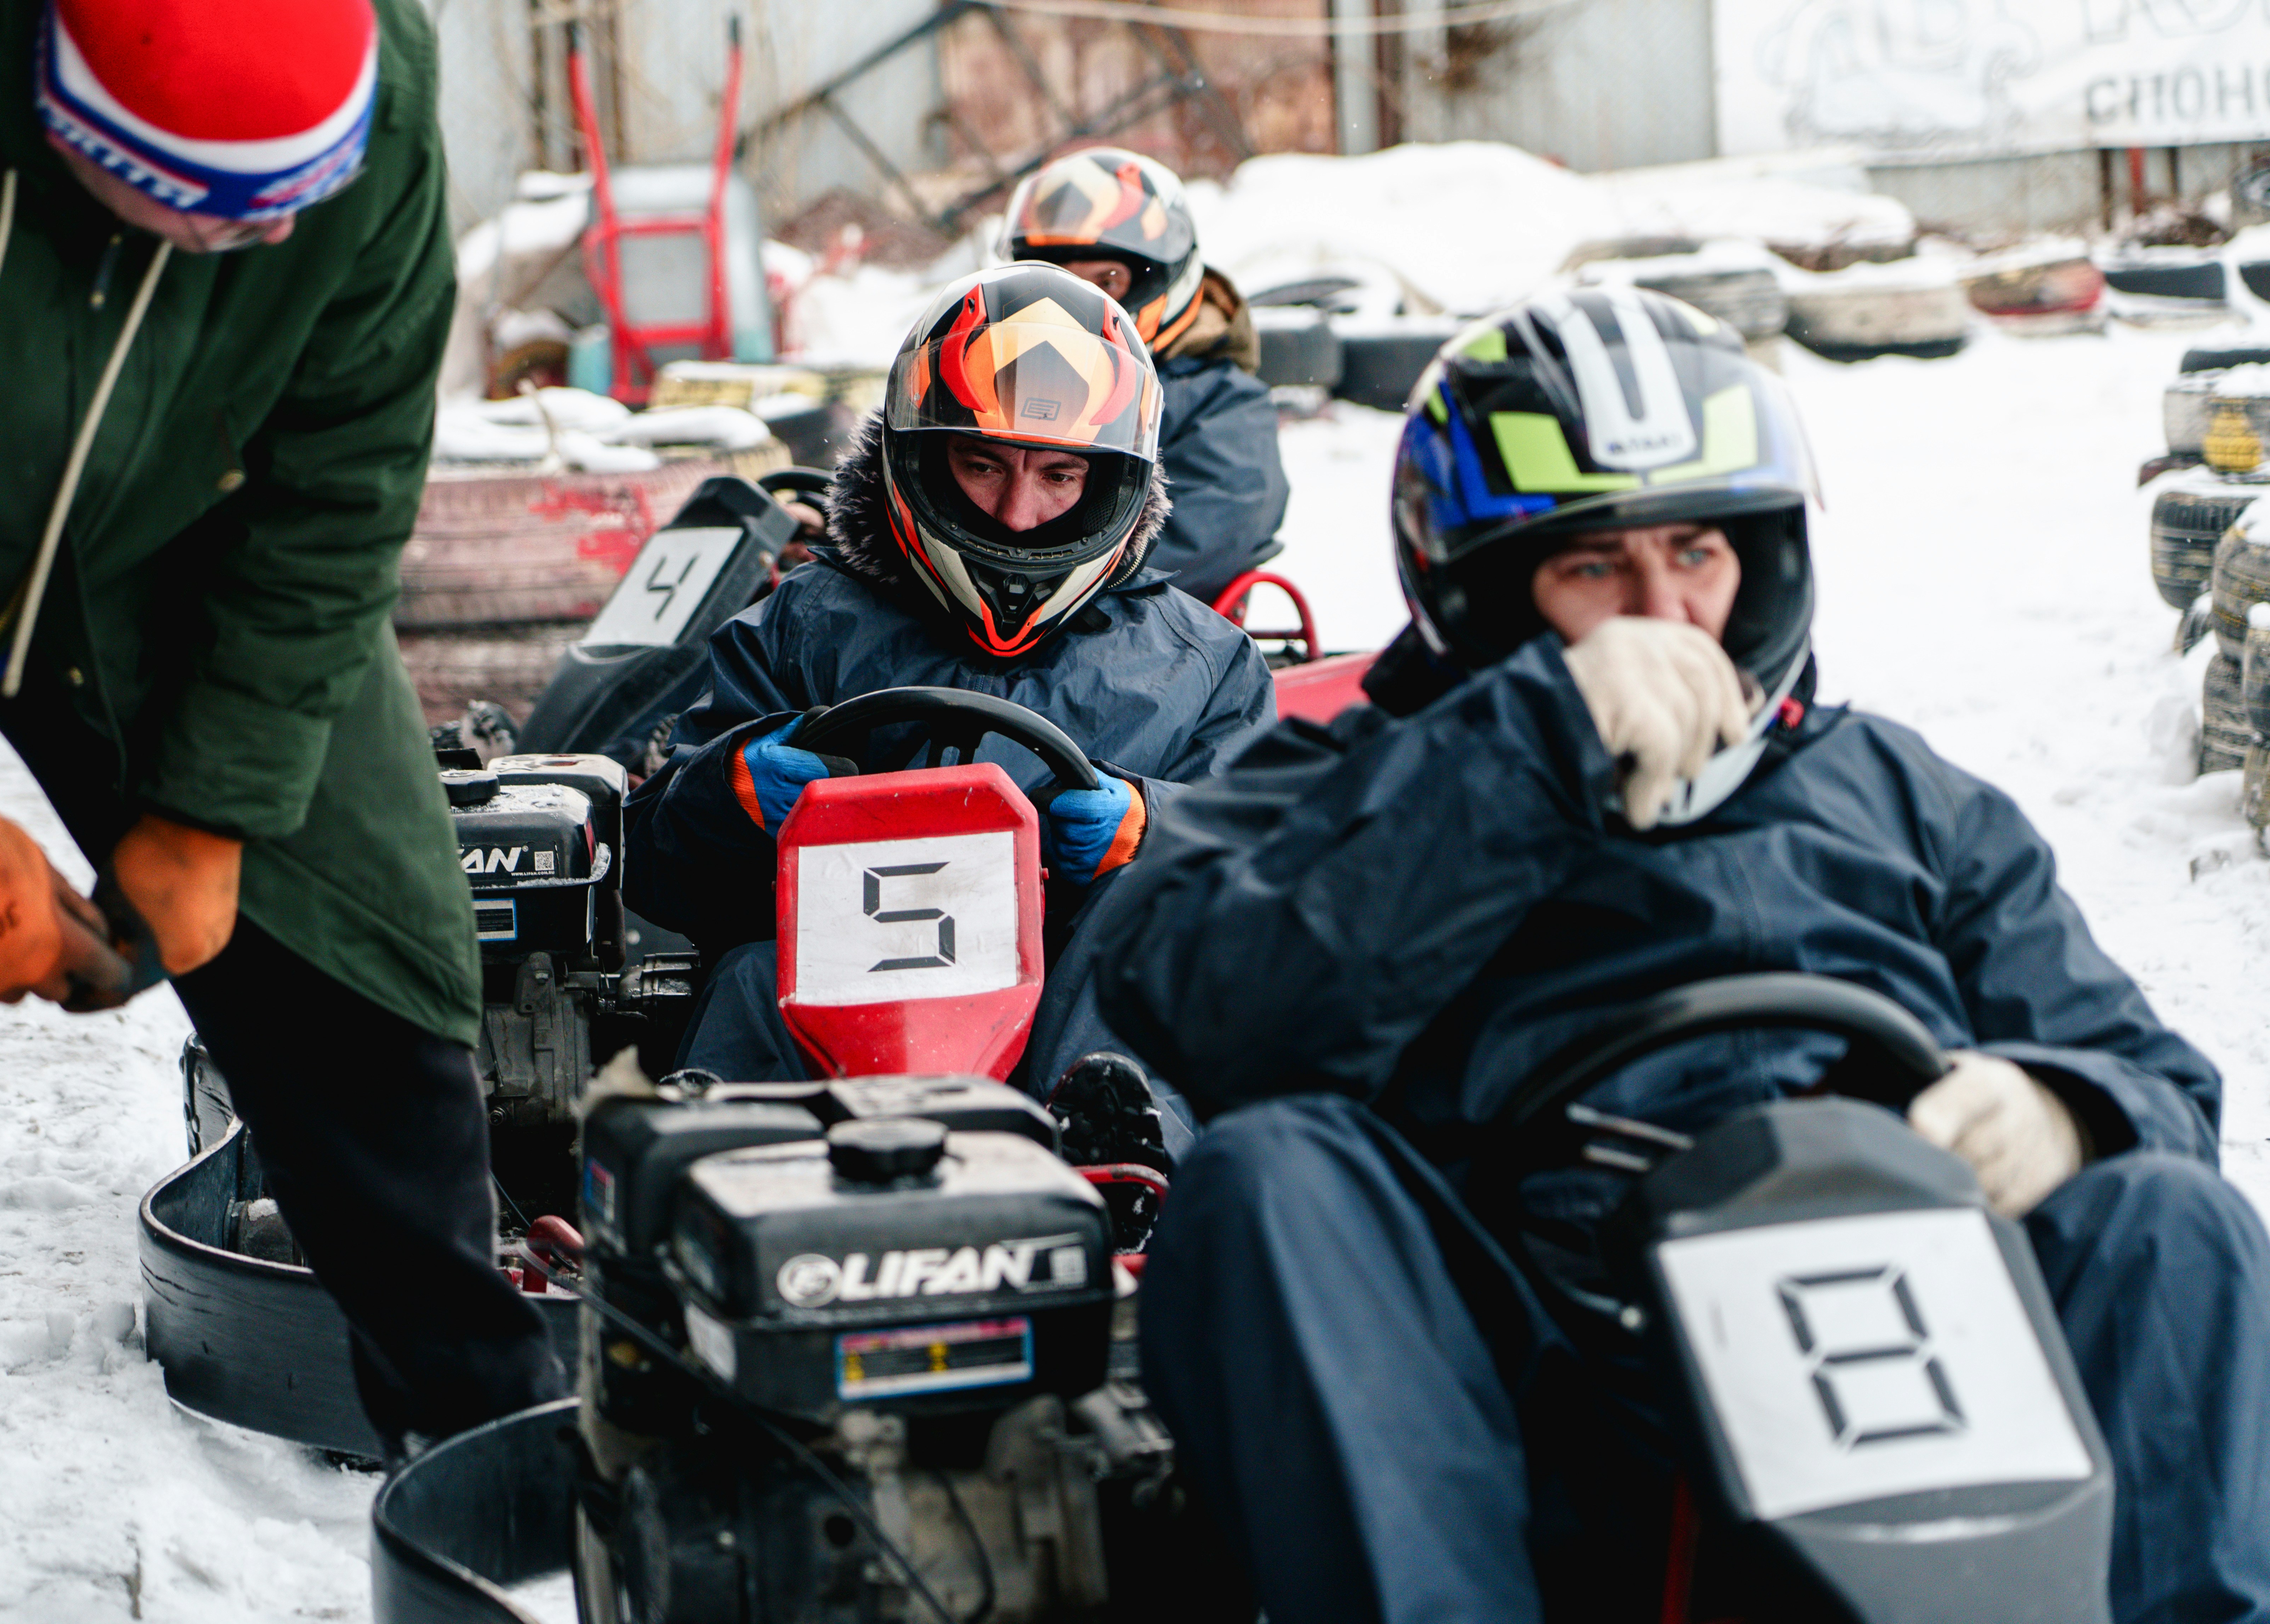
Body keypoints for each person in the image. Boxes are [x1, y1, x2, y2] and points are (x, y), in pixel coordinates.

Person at [1086, 286, 2270, 1622]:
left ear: (1758, 563)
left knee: (2169, 1213)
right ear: (1481, 587)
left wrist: (2066, 1108)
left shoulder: (1904, 798)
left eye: (1696, 552)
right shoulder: (1329, 782)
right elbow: (1195, 1007)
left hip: (1908, 1346)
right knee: (1264, 1177)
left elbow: (2155, 1085)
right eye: (1594, 569)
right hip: (1534, 1373)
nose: (1666, 613)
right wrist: (1528, 751)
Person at [0, 0, 564, 1611]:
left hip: (171, 527)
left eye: (291, 199)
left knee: (361, 947)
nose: (271, 240)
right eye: (208, 208)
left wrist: (220, 802)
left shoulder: (377, 88)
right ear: (57, 101)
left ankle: (494, 1446)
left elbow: (344, 470)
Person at [626, 265, 1273, 1138]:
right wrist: (731, 790)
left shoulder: (1205, 667)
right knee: (748, 968)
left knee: (1126, 940)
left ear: (1116, 485)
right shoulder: (801, 628)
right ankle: (715, 1171)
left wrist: (1151, 827)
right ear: (920, 458)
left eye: (1059, 476)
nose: (1016, 515)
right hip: (835, 1031)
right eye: (981, 466)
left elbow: (1277, 890)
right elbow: (659, 878)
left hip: (1071, 1035)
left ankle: (1119, 1163)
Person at [1000, 147, 1289, 605]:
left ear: (1160, 280)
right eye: (1053, 278)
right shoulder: (1000, 382)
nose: (1071, 302)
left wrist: (1032, 575)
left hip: (1133, 632)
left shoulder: (1222, 403)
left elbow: (1203, 542)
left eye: (1106, 280)